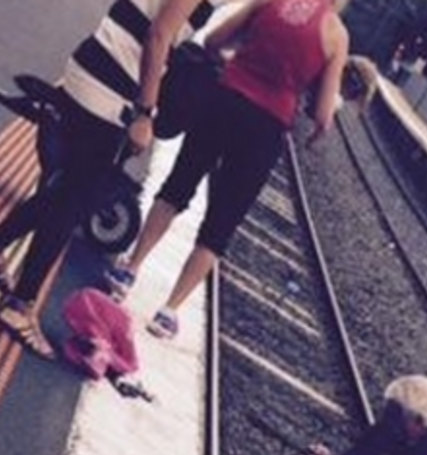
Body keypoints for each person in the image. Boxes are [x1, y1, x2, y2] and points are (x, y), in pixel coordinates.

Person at [0, 0, 219, 360]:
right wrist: (145, 114)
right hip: (110, 87)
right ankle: (20, 306)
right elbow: (159, 34)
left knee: (71, 188)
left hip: (98, 69)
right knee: (74, 200)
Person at [106, 0, 360, 339]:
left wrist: (239, 60)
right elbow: (323, 113)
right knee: (221, 223)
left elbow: (214, 41)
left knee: (177, 188)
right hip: (266, 129)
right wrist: (315, 123)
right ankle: (168, 311)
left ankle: (130, 269)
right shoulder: (336, 35)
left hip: (224, 101)